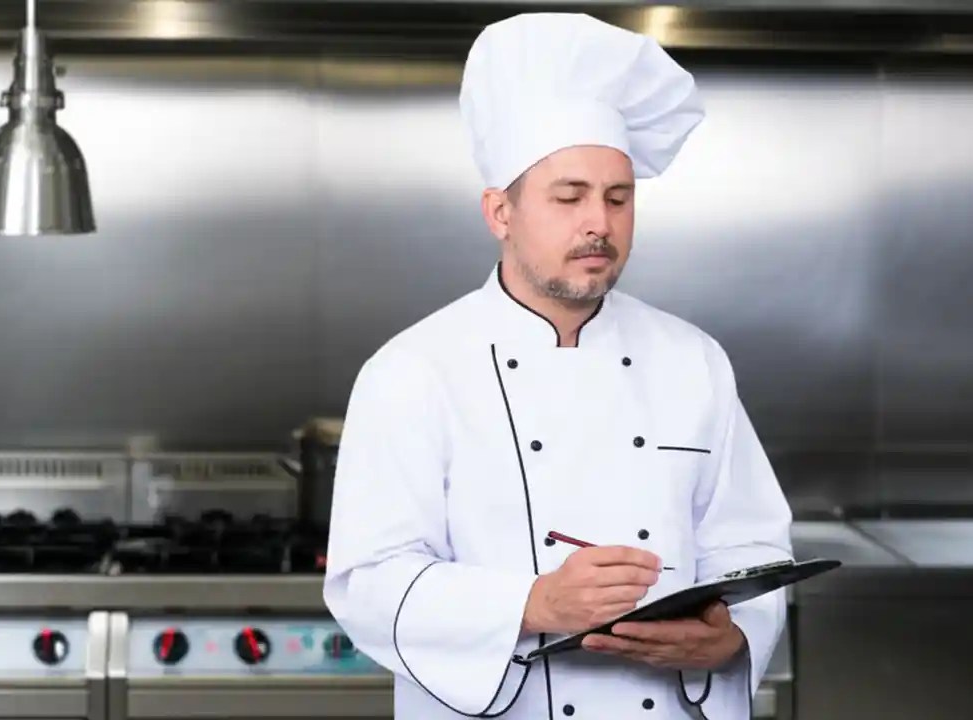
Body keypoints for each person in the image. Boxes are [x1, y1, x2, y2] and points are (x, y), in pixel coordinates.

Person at [322, 11, 793, 720]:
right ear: (499, 212)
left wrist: (728, 640)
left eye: (618, 198)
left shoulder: (693, 360)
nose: (598, 222)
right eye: (569, 197)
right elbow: (367, 583)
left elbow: (749, 543)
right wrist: (535, 602)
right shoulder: (414, 371)